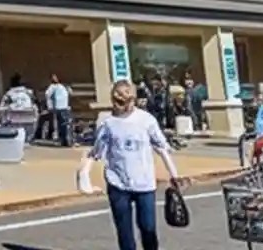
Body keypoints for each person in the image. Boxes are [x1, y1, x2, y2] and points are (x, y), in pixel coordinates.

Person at [78, 80, 186, 250]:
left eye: (124, 102)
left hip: (144, 182)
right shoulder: (108, 123)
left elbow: (161, 148)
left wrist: (174, 174)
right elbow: (96, 153)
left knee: (148, 228)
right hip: (117, 182)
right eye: (117, 102)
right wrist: (84, 176)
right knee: (125, 233)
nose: (120, 106)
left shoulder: (146, 120)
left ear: (133, 100)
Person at [45, 74, 72, 147]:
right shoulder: (53, 87)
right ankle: (62, 140)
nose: (55, 79)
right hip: (58, 108)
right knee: (61, 124)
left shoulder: (63, 86)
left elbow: (70, 93)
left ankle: (64, 140)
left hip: (63, 107)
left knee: (63, 124)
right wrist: (50, 106)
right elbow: (48, 95)